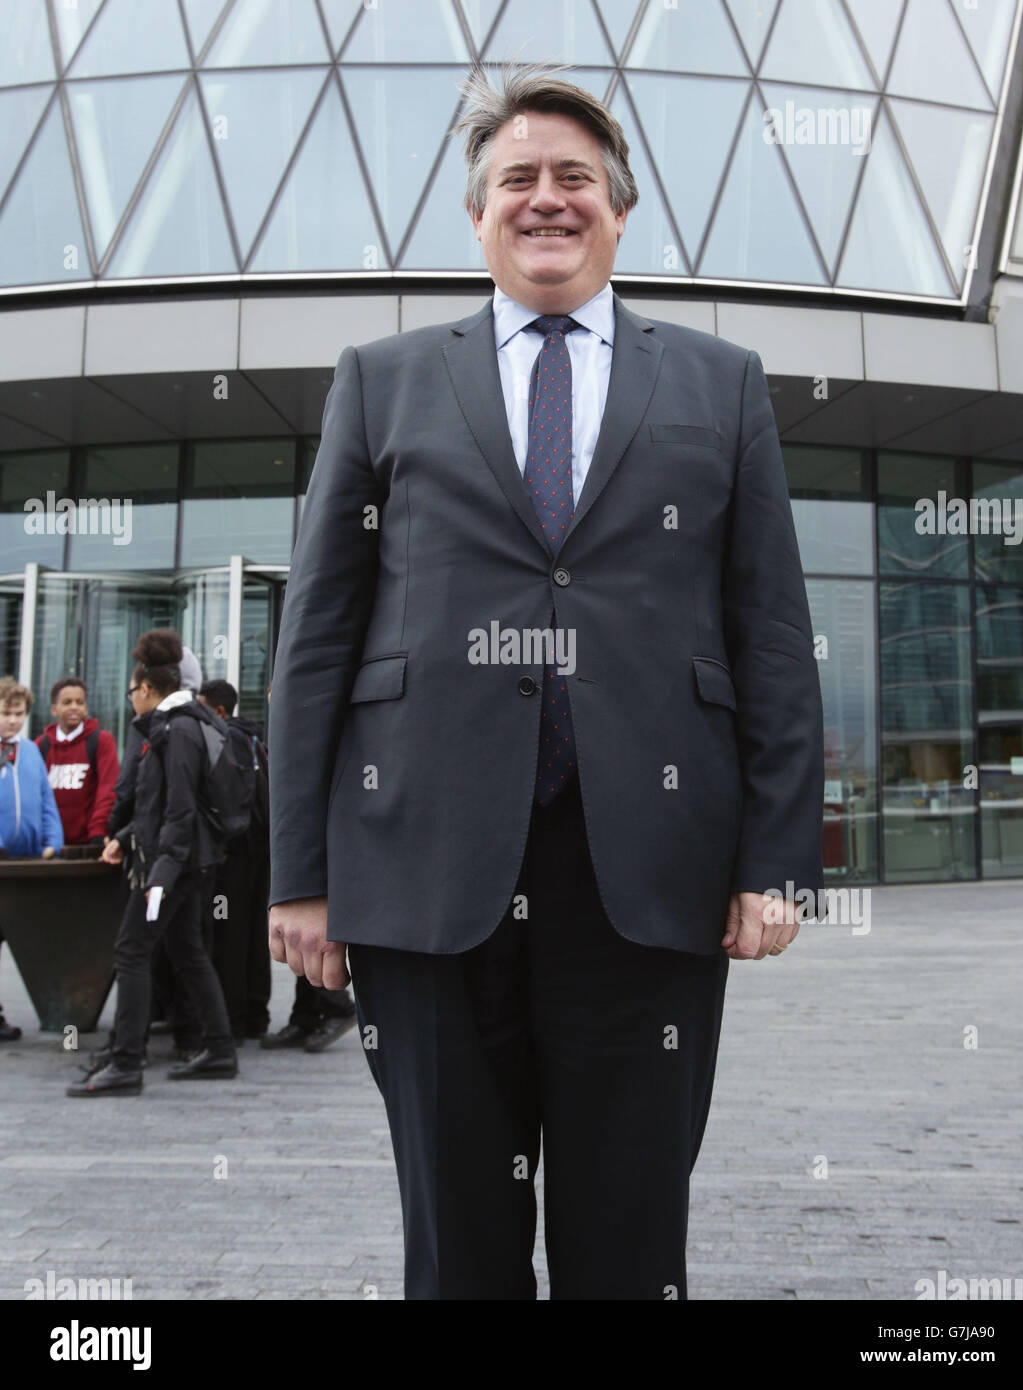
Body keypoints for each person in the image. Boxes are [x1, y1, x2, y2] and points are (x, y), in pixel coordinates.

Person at [267, 61, 824, 1300]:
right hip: (421, 876)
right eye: (516, 178)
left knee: (627, 1245)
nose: (546, 198)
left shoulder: (721, 386)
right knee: (456, 1249)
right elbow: (318, 636)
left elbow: (772, 634)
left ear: (619, 211)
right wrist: (298, 875)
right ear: (477, 215)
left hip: (648, 879)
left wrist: (775, 862)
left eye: (575, 177)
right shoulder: (382, 378)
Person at [67, 630, 238, 1096]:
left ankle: (126, 1062)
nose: (131, 700)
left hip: (172, 867)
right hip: (179, 861)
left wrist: (159, 876)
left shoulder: (178, 729)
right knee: (186, 951)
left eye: (131, 690)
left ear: (145, 689)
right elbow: (156, 804)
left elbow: (180, 811)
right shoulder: (180, 723)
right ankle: (219, 1049)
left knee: (130, 950)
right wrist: (124, 838)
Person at [197, 679, 273, 1042]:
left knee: (228, 932)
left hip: (235, 855)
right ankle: (257, 1012)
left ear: (220, 710)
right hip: (263, 852)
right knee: (255, 932)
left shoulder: (223, 738)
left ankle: (234, 1018)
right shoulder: (255, 739)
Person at [0, 676, 64, 1041]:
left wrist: (52, 839)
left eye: (18, 714)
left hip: (29, 860)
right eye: (6, 713)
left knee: (29, 938)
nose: (12, 720)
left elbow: (45, 798)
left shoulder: (32, 751)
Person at [36, 678, 119, 847]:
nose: (74, 707)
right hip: (49, 845)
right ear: (54, 709)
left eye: (79, 702)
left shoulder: (101, 741)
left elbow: (108, 789)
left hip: (88, 843)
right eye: (67, 702)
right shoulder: (40, 745)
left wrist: (98, 831)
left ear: (86, 708)